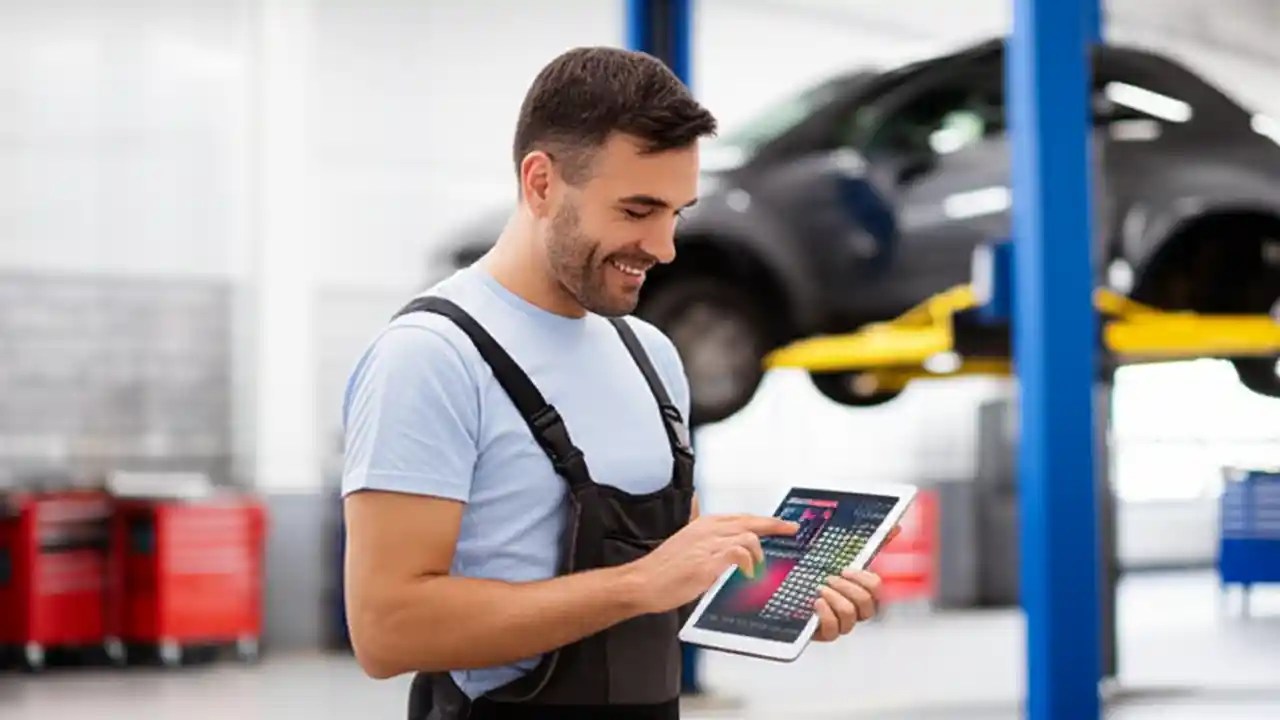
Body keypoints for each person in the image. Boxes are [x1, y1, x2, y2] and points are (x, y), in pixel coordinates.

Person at [341, 46, 889, 720]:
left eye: (676, 214)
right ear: (541, 183)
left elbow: (671, 582)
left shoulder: (650, 356)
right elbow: (386, 630)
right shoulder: (432, 358)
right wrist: (636, 585)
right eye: (636, 211)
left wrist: (780, 595)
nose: (664, 248)